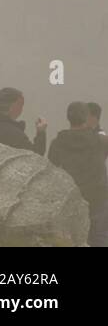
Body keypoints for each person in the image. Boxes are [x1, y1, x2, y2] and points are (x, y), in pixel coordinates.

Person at [47, 102, 108, 246]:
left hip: (71, 196)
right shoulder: (100, 140)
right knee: (98, 235)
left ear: (68, 118)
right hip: (97, 195)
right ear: (87, 118)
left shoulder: (57, 142)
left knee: (72, 237)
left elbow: (51, 168)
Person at [0, 87, 47, 154]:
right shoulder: (17, 136)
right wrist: (41, 132)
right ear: (13, 106)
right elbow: (36, 156)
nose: (22, 109)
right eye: (21, 105)